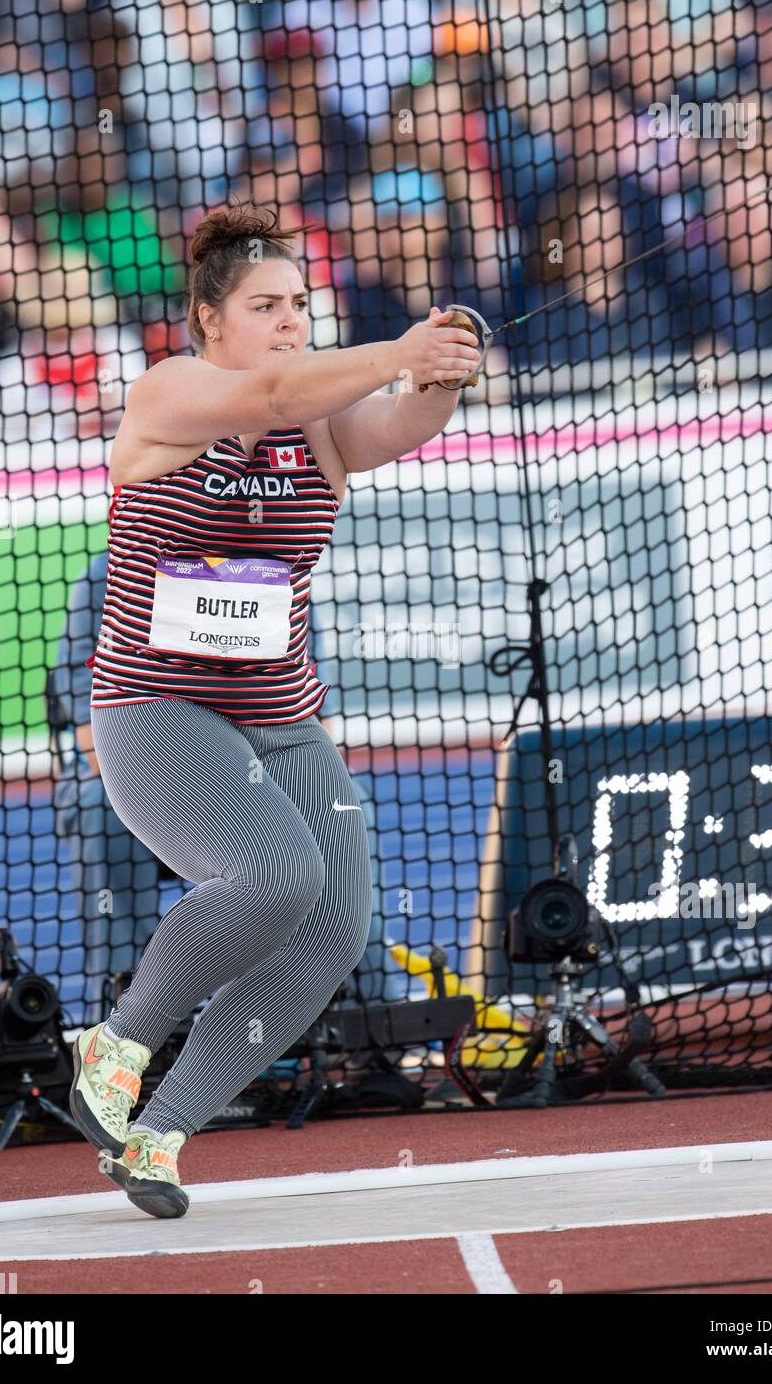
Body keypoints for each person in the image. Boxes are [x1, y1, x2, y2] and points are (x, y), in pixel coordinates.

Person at [67, 200, 480, 1218]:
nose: (291, 319)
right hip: (156, 708)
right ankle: (115, 1043)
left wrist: (434, 380)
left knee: (335, 925)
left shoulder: (317, 418)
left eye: (299, 302)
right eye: (267, 304)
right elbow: (272, 387)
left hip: (281, 716)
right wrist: (396, 346)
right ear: (211, 320)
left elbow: (388, 425)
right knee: (273, 873)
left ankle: (157, 1134)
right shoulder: (169, 391)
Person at [49, 549, 406, 1030]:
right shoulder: (112, 568)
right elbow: (85, 703)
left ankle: (370, 1016)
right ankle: (121, 1026)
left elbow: (309, 711)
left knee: (344, 802)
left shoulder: (278, 568)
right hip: (150, 771)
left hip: (256, 766)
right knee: (98, 807)